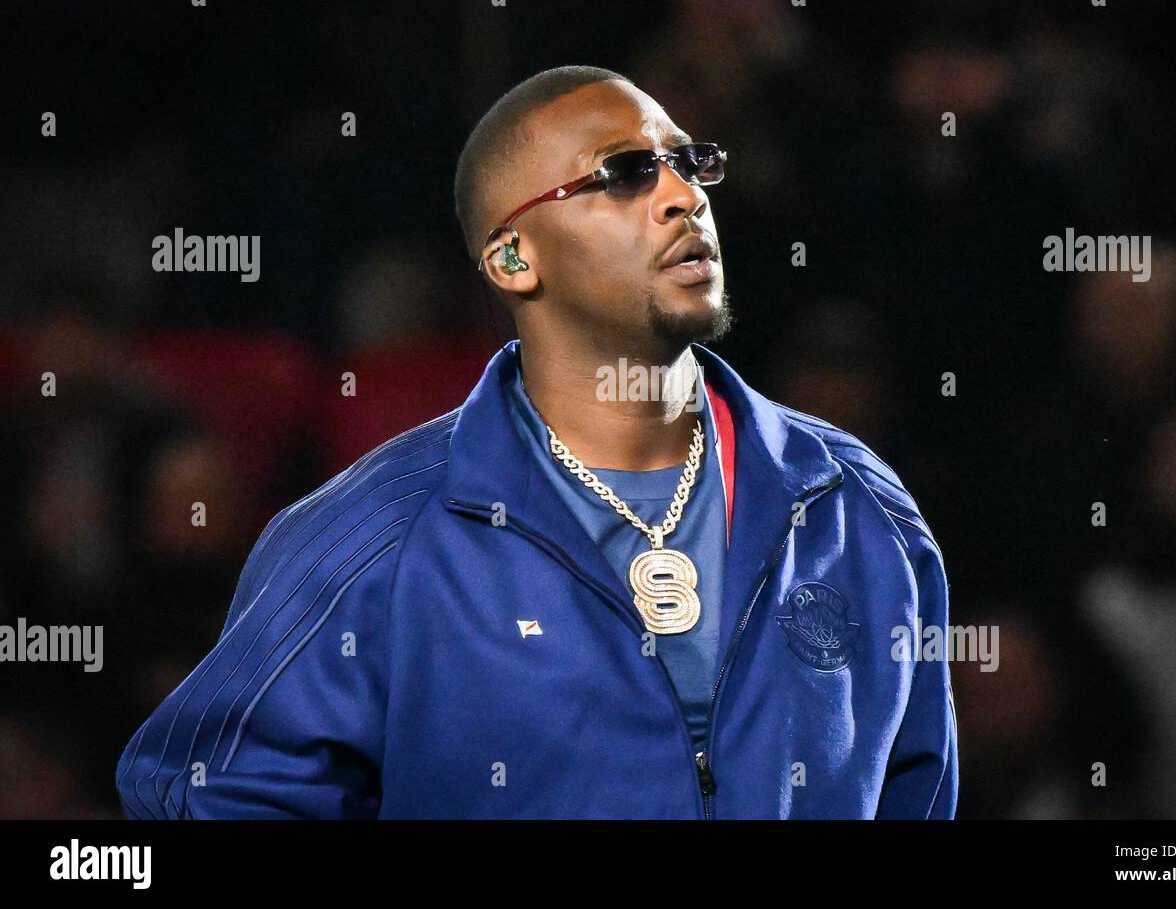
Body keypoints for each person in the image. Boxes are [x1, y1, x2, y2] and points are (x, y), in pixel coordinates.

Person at [116, 65, 957, 819]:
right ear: (514, 257)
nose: (684, 195)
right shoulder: (371, 538)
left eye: (689, 162)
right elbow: (203, 795)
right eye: (625, 174)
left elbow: (919, 795)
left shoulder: (853, 504)